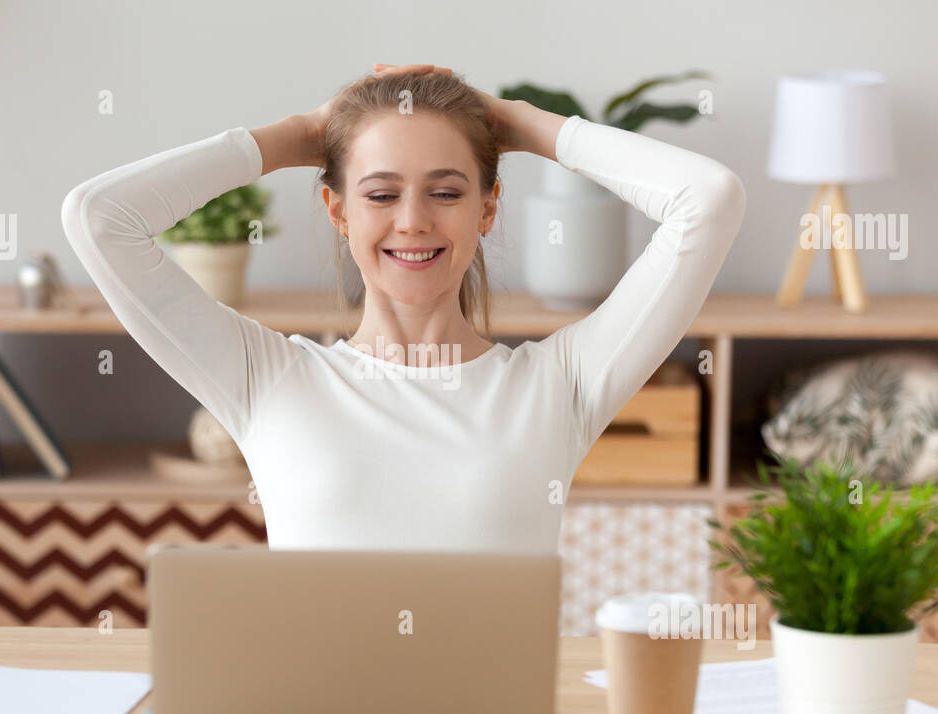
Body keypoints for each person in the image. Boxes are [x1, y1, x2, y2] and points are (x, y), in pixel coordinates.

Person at [61, 63, 746, 553]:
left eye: (446, 192)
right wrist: (301, 133)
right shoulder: (267, 377)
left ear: (488, 206)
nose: (413, 221)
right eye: (381, 194)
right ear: (337, 209)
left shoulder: (556, 384)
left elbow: (709, 199)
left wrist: (518, 122)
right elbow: (98, 218)